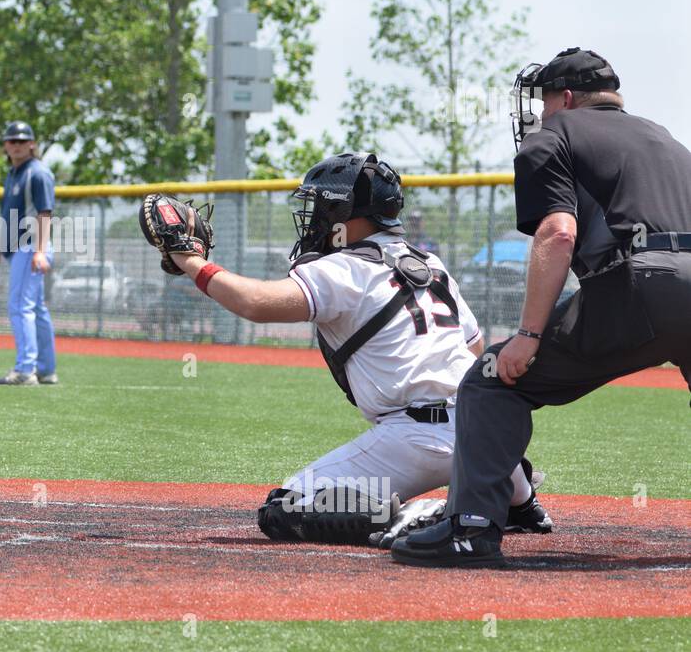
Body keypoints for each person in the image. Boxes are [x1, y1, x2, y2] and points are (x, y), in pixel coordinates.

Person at [139, 153, 551, 546]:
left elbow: (254, 303)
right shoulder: (433, 265)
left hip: (414, 440)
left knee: (284, 508)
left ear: (343, 214)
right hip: (485, 434)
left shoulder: (343, 268)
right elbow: (474, 351)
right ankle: (518, 498)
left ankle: (417, 516)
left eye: (320, 208)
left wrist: (190, 260)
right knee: (466, 424)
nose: (313, 219)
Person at [393, 48, 691, 567]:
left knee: (491, 381)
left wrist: (528, 336)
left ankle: (470, 529)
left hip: (642, 285)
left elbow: (558, 233)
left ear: (568, 97)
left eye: (546, 99)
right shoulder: (667, 140)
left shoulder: (555, 135)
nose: (540, 111)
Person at [0, 121, 59, 386]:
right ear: (5, 145)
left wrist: (40, 251)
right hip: (19, 249)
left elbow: (44, 213)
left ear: (32, 144)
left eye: (21, 141)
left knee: (19, 306)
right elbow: (6, 217)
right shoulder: (13, 174)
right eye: (11, 141)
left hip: (31, 246)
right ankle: (46, 370)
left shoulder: (37, 173)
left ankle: (26, 370)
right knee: (35, 309)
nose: (16, 145)